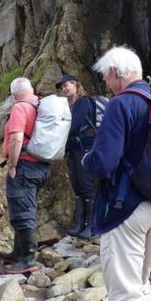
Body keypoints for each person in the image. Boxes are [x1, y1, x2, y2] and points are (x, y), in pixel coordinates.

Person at [82, 46, 151, 301]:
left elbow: (104, 163)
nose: (106, 83)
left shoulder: (121, 105)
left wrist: (86, 161)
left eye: (106, 76)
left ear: (117, 72)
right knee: (140, 285)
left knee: (125, 297)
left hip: (127, 210)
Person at [0, 77, 52, 274]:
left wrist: (12, 165)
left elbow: (17, 137)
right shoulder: (40, 105)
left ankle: (28, 259)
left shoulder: (20, 108)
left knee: (22, 213)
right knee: (26, 208)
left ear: (13, 94)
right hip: (41, 166)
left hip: (25, 167)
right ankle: (18, 252)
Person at [56, 74, 98, 239]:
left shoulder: (84, 102)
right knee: (77, 185)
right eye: (63, 87)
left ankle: (91, 225)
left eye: (67, 85)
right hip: (74, 148)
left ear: (76, 85)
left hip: (85, 148)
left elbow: (73, 127)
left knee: (87, 184)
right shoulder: (70, 105)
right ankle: (80, 223)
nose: (65, 88)